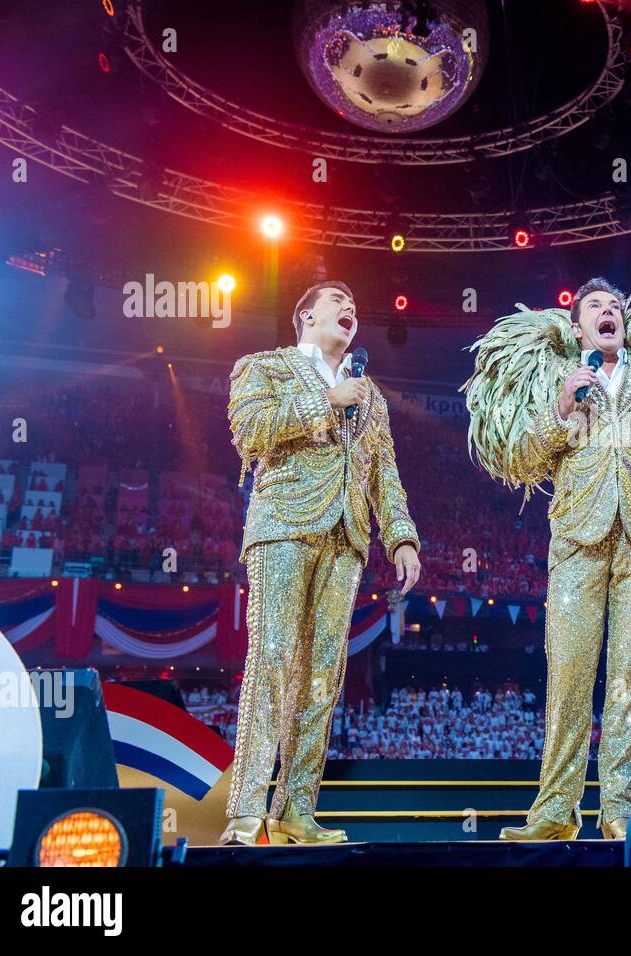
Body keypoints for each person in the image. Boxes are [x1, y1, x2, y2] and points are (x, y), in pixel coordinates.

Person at [463, 278, 631, 840]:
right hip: (579, 537)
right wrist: (562, 407)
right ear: (577, 327)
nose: (608, 314)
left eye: (615, 308)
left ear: (623, 325)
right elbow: (528, 456)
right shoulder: (564, 385)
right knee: (570, 674)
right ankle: (556, 811)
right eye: (595, 309)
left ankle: (621, 813)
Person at [219, 280, 422, 846]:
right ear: (305, 316)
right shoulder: (264, 366)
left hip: (347, 536)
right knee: (274, 658)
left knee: (322, 678)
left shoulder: (369, 394)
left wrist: (402, 538)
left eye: (354, 303)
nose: (349, 307)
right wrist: (323, 401)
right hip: (284, 523)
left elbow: (384, 469)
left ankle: (295, 810)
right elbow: (248, 430)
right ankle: (245, 810)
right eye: (337, 301)